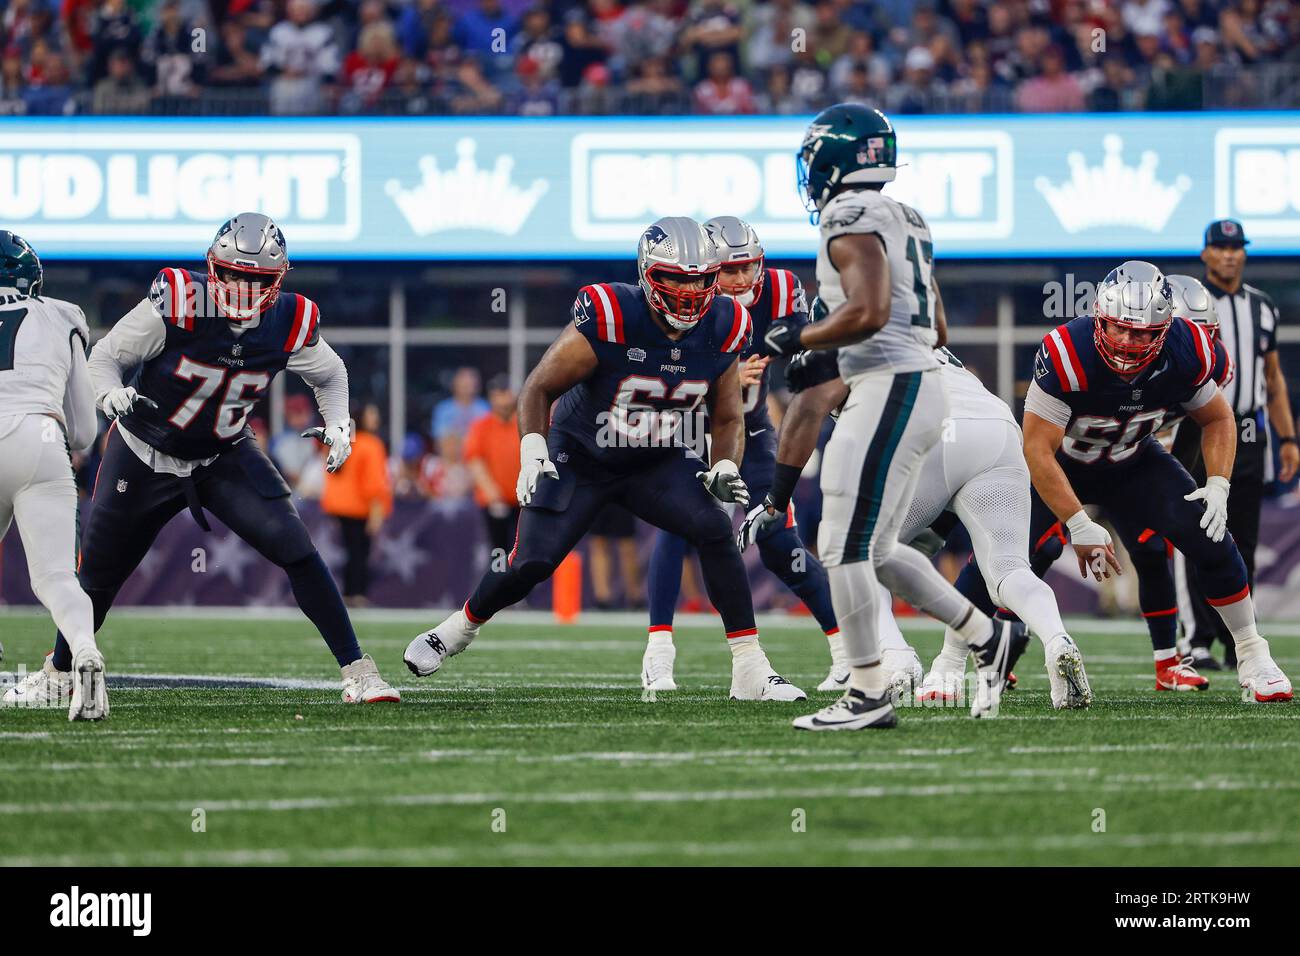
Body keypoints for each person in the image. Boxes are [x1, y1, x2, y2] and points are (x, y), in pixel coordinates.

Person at [3, 214, 400, 707]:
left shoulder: (289, 319)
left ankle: (359, 671)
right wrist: (109, 395)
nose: (239, 287)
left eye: (253, 279)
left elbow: (331, 373)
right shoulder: (178, 299)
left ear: (276, 281)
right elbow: (104, 357)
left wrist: (340, 423)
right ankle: (59, 672)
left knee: (297, 548)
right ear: (213, 267)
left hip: (223, 452)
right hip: (143, 450)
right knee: (98, 577)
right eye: (232, 273)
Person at [403, 216, 805, 701]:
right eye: (675, 277)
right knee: (531, 562)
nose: (688, 291)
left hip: (654, 457)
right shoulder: (613, 312)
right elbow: (539, 386)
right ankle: (458, 628)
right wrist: (533, 449)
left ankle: (750, 668)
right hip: (581, 456)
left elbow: (726, 416)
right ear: (647, 275)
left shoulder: (727, 323)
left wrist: (723, 464)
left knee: (715, 528)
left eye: (698, 278)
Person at [763, 104, 1025, 730]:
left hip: (890, 388)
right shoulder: (908, 217)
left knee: (841, 545)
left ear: (833, 157)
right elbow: (937, 327)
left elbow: (871, 309)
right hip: (921, 383)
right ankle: (987, 636)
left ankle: (868, 693)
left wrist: (800, 338)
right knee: (874, 548)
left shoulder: (846, 214)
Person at [1010, 260, 1290, 704]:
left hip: (1133, 461)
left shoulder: (1189, 347)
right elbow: (1037, 449)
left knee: (1211, 538)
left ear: (1167, 327)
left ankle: (1254, 654)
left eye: (1143, 333)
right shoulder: (1067, 349)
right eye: (1119, 329)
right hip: (1064, 465)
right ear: (1098, 318)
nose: (1127, 342)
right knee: (1010, 556)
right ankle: (960, 660)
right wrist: (1080, 525)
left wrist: (1217, 484)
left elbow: (1218, 418)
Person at [762, 341, 1091, 711]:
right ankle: (1057, 639)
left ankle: (897, 657)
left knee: (854, 554)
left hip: (929, 428)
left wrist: (776, 497)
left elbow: (806, 413)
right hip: (995, 425)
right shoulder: (916, 332)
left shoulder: (842, 343)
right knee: (1009, 568)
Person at [643, 217, 844, 694]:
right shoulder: (689, 300)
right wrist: (723, 380)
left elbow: (803, 342)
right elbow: (659, 374)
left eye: (747, 267)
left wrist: (791, 353)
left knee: (778, 539)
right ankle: (658, 652)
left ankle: (848, 653)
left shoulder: (780, 290)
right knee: (680, 527)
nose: (738, 279)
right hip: (685, 428)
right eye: (728, 269)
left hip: (751, 431)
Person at [1173, 220, 1298, 671]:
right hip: (1198, 426)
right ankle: (1198, 637)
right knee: (1196, 529)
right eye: (1221, 247)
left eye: (1236, 247)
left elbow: (1273, 379)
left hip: (1248, 431)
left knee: (1242, 538)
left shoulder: (1262, 308)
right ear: (1206, 253)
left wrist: (1288, 438)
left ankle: (1235, 637)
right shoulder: (1187, 301)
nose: (1229, 254)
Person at [0, 232, 106, 720]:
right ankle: (83, 651)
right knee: (58, 578)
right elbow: (84, 430)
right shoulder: (60, 315)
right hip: (41, 438)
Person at [321, 403, 392, 606]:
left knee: (351, 552)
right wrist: (376, 512)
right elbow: (374, 483)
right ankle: (358, 593)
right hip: (360, 508)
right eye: (372, 414)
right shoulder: (371, 444)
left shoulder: (344, 440)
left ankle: (349, 592)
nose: (376, 418)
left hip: (339, 506)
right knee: (360, 553)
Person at [463, 374, 521, 561]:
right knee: (498, 551)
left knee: (522, 551)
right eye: (498, 394)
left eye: (506, 393)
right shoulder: (482, 426)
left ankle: (521, 590)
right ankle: (499, 588)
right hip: (495, 500)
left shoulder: (523, 422)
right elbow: (475, 460)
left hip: (523, 500)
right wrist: (491, 491)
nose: (503, 399)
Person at [431, 366, 489, 442]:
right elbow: (440, 438)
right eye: (465, 383)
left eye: (471, 382)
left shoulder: (485, 408)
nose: (468, 384)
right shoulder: (443, 409)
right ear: (454, 384)